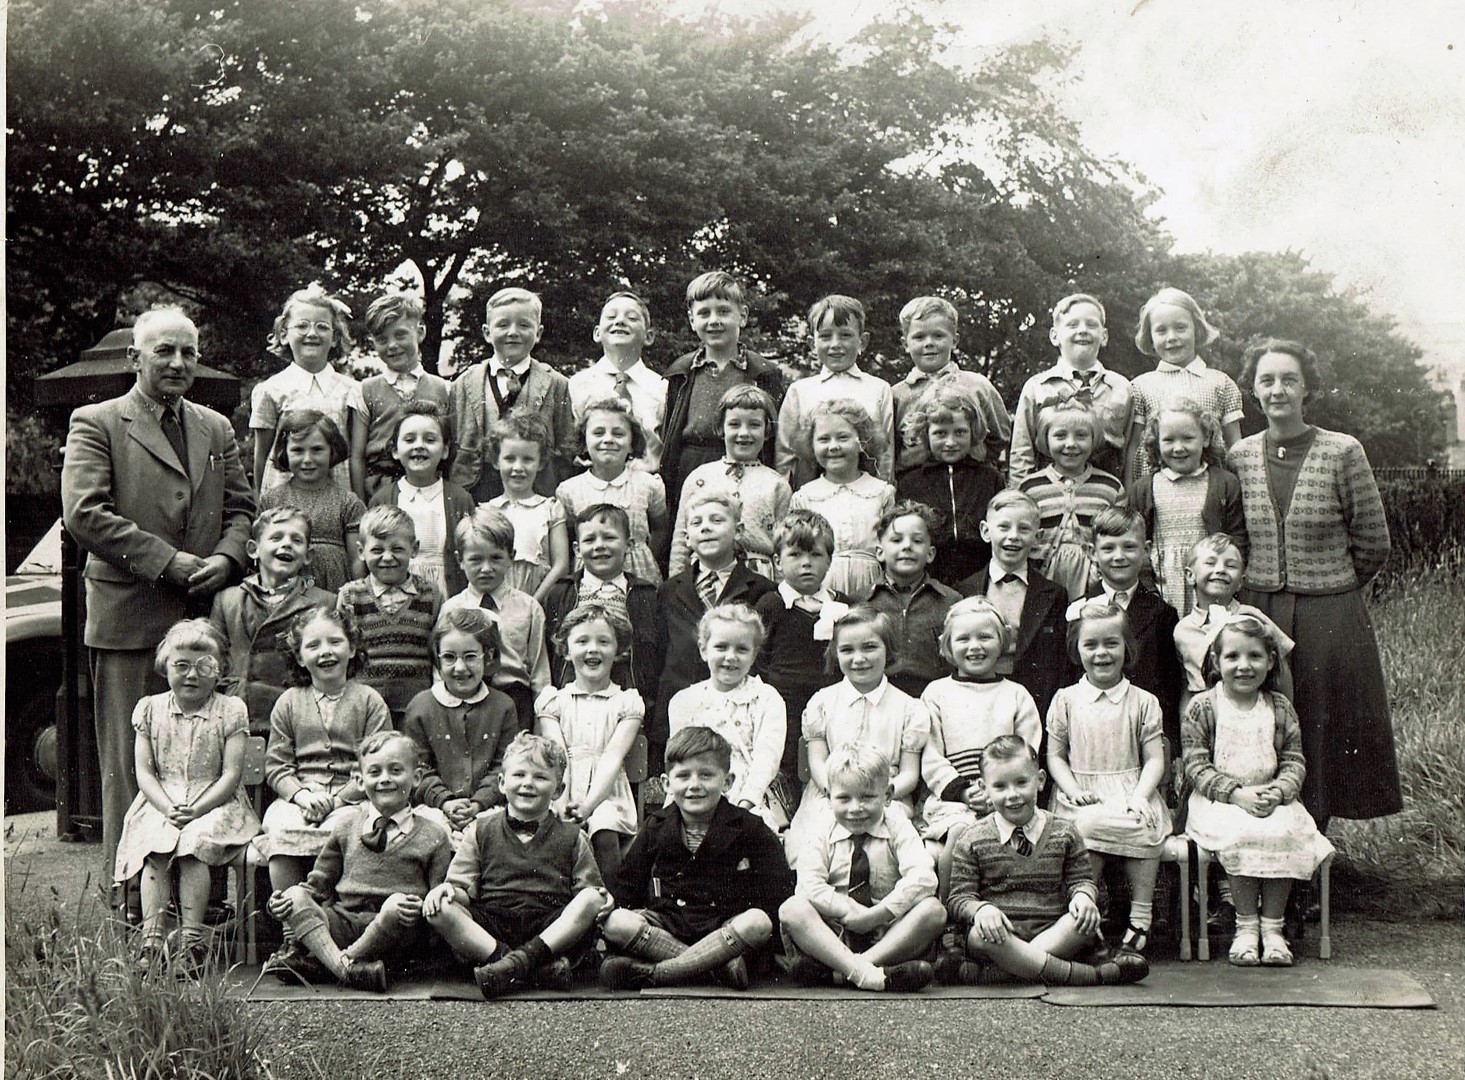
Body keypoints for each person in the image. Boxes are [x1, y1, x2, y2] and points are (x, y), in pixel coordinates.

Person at [61, 305, 255, 874]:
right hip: (129, 619)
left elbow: (242, 509)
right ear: (134, 357)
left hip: (199, 628)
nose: (177, 362)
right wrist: (167, 562)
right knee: (130, 767)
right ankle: (130, 907)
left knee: (203, 764)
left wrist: (227, 557)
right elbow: (85, 515)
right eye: (163, 351)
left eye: (188, 352)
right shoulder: (96, 421)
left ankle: (198, 908)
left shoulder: (215, 427)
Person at [1229, 339, 1399, 829]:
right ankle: (1261, 848)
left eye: (1289, 379)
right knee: (1263, 730)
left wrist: (1333, 587)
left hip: (1330, 617)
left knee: (1320, 733)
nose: (1278, 389)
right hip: (1259, 609)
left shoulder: (1343, 451)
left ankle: (1312, 855)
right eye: (1267, 380)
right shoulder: (1239, 455)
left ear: (1308, 388)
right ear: (1254, 391)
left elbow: (1373, 541)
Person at [1181, 615, 1334, 967]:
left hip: (1271, 797)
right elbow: (1195, 764)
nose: (1244, 666)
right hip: (1219, 799)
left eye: (1254, 657)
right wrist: (1236, 794)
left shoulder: (1279, 707)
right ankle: (1246, 927)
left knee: (1284, 830)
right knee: (1241, 832)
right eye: (1232, 657)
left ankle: (1273, 929)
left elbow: (1294, 760)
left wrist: (1279, 792)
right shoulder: (1204, 707)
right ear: (1216, 663)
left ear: (1270, 662)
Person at [939, 735, 1148, 986]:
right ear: (984, 789)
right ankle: (1091, 976)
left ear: (1039, 781)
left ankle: (996, 974)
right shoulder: (972, 838)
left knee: (1081, 923)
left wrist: (1083, 896)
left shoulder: (1065, 832)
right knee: (978, 935)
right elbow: (959, 899)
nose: (1013, 795)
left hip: (1053, 933)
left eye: (1021, 783)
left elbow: (1081, 880)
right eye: (1000, 787)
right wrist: (981, 909)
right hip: (999, 935)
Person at [114, 619, 259, 976]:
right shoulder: (149, 709)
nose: (192, 675)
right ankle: (152, 940)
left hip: (216, 801)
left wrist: (197, 809)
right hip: (163, 799)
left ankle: (192, 942)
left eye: (204, 666)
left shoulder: (231, 709)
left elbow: (230, 775)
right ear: (165, 667)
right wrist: (167, 807)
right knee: (157, 846)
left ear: (219, 670)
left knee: (193, 845)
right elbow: (145, 773)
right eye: (181, 666)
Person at [599, 727, 794, 990]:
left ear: (727, 781)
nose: (694, 785)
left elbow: (777, 891)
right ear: (667, 784)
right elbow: (629, 885)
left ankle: (659, 974)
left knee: (757, 922)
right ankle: (717, 969)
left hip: (726, 929)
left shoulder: (750, 827)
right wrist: (618, 908)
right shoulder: (657, 826)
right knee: (616, 922)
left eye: (706, 775)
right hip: (669, 926)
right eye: (683, 776)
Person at [422, 732, 612, 997]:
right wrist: (448, 890)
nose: (528, 784)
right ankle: (524, 966)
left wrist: (600, 897)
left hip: (549, 928)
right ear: (501, 782)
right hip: (493, 925)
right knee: (440, 906)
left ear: (558, 790)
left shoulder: (573, 836)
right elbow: (463, 889)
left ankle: (510, 967)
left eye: (541, 777)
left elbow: (588, 892)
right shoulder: (480, 830)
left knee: (591, 898)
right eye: (519, 775)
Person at [266, 730, 452, 992]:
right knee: (295, 895)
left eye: (396, 771)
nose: (385, 779)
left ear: (417, 777)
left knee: (395, 904)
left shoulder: (433, 835)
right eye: (375, 772)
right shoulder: (345, 827)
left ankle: (330, 965)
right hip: (345, 924)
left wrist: (421, 907)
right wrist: (281, 903)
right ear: (359, 780)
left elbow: (438, 893)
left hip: (397, 930)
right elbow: (318, 885)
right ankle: (349, 969)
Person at [1047, 602, 1172, 957]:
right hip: (1082, 792)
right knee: (1086, 828)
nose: (1101, 653)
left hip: (1130, 788)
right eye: (1091, 645)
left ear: (1127, 648)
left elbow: (1154, 759)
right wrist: (1072, 790)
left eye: (1111, 644)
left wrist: (1141, 796)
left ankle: (1141, 916)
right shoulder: (1066, 700)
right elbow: (1055, 756)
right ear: (1077, 650)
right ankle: (1088, 918)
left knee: (1145, 827)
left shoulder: (1143, 701)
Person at [780, 745, 944, 992]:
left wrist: (876, 915)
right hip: (835, 931)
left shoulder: (897, 822)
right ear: (827, 795)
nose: (855, 808)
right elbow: (808, 885)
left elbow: (923, 877)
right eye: (844, 798)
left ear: (888, 795)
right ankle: (875, 974)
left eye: (867, 797)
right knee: (792, 908)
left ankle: (846, 971)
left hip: (886, 933)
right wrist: (849, 909)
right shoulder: (821, 826)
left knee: (934, 910)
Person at [255, 605, 392, 894]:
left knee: (345, 831)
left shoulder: (370, 701)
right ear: (300, 658)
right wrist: (302, 795)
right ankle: (292, 922)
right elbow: (277, 765)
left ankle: (331, 920)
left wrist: (339, 800)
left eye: (335, 642)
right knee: (281, 830)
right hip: (300, 795)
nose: (325, 652)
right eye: (313, 645)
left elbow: (377, 764)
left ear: (352, 649)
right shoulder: (289, 702)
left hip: (352, 798)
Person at [784, 606, 929, 863]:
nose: (859, 658)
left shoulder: (909, 708)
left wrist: (878, 797)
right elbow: (817, 761)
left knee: (889, 848)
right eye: (847, 650)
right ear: (835, 654)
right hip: (829, 795)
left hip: (887, 797)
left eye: (870, 647)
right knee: (808, 846)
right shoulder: (822, 703)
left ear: (889, 650)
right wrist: (838, 794)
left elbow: (910, 773)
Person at [918, 598, 1041, 890]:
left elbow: (1028, 751)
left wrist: (1000, 790)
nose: (975, 646)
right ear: (947, 646)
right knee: (961, 832)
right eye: (964, 639)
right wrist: (962, 791)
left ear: (1004, 642)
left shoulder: (1016, 694)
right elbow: (930, 754)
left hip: (1007, 796)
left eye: (985, 637)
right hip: (954, 800)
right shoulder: (936, 693)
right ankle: (950, 910)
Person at [653, 488, 776, 772]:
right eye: (697, 523)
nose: (706, 527)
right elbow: (660, 655)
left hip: (738, 716)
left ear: (738, 529)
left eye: (717, 520)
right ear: (687, 536)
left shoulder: (761, 590)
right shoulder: (670, 591)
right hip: (685, 712)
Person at [659, 270, 785, 518]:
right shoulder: (682, 371)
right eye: (704, 313)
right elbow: (670, 434)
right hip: (691, 467)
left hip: (746, 466)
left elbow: (774, 437)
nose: (714, 320)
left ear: (743, 316)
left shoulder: (763, 373)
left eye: (723, 311)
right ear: (692, 320)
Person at [535, 604, 646, 882]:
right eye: (582, 641)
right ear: (566, 649)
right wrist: (562, 802)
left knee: (603, 822)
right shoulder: (554, 701)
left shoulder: (626, 702)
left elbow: (612, 757)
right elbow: (558, 756)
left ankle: (612, 899)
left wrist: (587, 807)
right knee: (548, 824)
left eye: (603, 641)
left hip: (607, 794)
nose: (592, 649)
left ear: (619, 650)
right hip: (561, 790)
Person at [210, 507, 336, 735]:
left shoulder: (325, 603)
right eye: (276, 537)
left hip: (295, 719)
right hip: (236, 718)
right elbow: (212, 661)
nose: (286, 544)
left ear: (308, 555)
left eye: (296, 540)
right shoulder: (227, 599)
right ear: (253, 549)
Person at [448, 286, 576, 501]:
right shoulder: (463, 384)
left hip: (536, 492)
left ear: (538, 333)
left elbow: (566, 450)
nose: (513, 332)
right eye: (503, 325)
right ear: (487, 333)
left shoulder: (557, 384)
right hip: (477, 492)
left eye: (524, 325)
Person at [668, 604, 789, 830]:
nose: (730, 657)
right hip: (696, 792)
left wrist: (744, 803)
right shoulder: (684, 701)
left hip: (750, 794)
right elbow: (679, 759)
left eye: (742, 649)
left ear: (753, 655)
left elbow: (767, 759)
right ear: (704, 650)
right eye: (721, 647)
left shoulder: (766, 698)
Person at [752, 509, 849, 792]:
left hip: (831, 706)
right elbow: (759, 659)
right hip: (785, 706)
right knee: (785, 771)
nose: (806, 564)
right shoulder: (770, 605)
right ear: (777, 561)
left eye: (816, 555)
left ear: (830, 560)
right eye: (795, 555)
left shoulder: (842, 606)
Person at [1074, 508, 1184, 753]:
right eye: (1109, 548)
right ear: (1092, 552)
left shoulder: (1163, 614)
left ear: (1145, 550)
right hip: (1091, 731)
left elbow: (1168, 687)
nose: (1119, 556)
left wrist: (1169, 747)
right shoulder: (1078, 610)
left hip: (1142, 733)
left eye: (1129, 547)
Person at [402, 608, 519, 837]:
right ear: (437, 660)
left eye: (470, 656)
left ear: (488, 656)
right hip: (434, 808)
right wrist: (445, 802)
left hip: (488, 807)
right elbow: (418, 768)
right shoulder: (421, 706)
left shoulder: (503, 706)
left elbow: (504, 766)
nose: (460, 668)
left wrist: (478, 804)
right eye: (449, 657)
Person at [956, 491, 1069, 723]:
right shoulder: (964, 591)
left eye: (1024, 529)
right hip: (977, 700)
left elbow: (1057, 664)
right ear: (986, 532)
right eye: (1004, 527)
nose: (1013, 536)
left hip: (1032, 703)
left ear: (1038, 536)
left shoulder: (1053, 594)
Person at [1127, 397, 1246, 615]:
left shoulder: (1224, 483)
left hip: (1212, 586)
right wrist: (1148, 588)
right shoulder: (1143, 488)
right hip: (1162, 588)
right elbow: (1136, 544)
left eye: (1188, 438)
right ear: (1156, 442)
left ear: (1206, 438)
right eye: (1169, 440)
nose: (1178, 448)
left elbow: (1237, 539)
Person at [439, 506, 552, 733]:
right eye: (476, 559)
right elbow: (440, 669)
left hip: (516, 702)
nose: (486, 568)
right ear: (460, 560)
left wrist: (542, 725)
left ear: (511, 556)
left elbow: (540, 674)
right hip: (464, 700)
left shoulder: (529, 608)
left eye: (496, 558)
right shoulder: (451, 609)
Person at [540, 504, 660, 704]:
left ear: (629, 545)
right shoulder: (562, 592)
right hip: (574, 692)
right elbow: (553, 650)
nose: (599, 546)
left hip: (628, 691)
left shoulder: (644, 594)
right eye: (589, 540)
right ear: (577, 549)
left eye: (609, 537)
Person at [668, 384, 790, 580]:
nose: (744, 433)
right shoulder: (700, 478)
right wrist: (678, 586)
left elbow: (784, 547)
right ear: (720, 428)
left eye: (754, 425)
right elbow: (681, 541)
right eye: (734, 424)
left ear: (767, 431)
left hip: (758, 578)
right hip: (705, 573)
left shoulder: (776, 485)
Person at [1009, 294, 1132, 485]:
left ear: (1104, 336)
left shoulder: (1122, 387)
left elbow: (1130, 452)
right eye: (1073, 325)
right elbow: (1022, 453)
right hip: (1049, 491)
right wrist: (1021, 499)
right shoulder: (1037, 387)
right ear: (1055, 336)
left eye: (1091, 325)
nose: (1083, 330)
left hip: (1106, 492)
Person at [1125, 287, 1243, 486]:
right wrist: (1130, 493)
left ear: (1196, 329)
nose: (1171, 337)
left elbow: (1236, 447)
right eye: (1161, 330)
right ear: (1151, 338)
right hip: (1156, 492)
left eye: (1180, 327)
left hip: (1212, 492)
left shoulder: (1221, 383)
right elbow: (1134, 447)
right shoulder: (1140, 386)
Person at [250, 284, 360, 495]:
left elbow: (356, 453)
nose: (312, 333)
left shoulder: (352, 390)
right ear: (284, 334)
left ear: (335, 337)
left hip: (338, 499)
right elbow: (262, 457)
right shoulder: (270, 390)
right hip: (286, 505)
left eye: (322, 326)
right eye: (302, 326)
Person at [336, 505, 442, 723]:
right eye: (377, 550)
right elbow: (343, 655)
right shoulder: (350, 596)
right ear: (361, 552)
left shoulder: (430, 594)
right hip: (366, 708)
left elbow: (438, 650)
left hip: (417, 707)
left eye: (397, 549)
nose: (387, 557)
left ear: (414, 549)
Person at [776, 295, 895, 487]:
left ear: (862, 342)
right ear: (811, 343)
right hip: (812, 495)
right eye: (825, 336)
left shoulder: (879, 388)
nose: (835, 344)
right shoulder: (800, 390)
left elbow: (886, 454)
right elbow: (785, 456)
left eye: (845, 335)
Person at [1172, 534, 1293, 719]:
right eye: (1210, 563)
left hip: (1253, 716)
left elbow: (1281, 672)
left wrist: (1284, 719)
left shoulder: (1252, 617)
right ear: (1190, 575)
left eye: (1230, 565)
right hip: (1208, 721)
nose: (1220, 570)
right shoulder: (1183, 630)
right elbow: (1187, 686)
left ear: (1241, 582)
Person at [787, 397, 896, 602]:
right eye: (824, 439)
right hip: (821, 586)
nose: (833, 446)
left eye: (843, 437)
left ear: (863, 440)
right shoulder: (805, 497)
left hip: (872, 585)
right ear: (811, 445)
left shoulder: (881, 492)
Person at [1018, 398, 1125, 602]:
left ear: (1093, 439)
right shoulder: (1030, 487)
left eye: (1081, 436)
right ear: (1045, 439)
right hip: (1042, 577)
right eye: (1060, 435)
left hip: (1094, 580)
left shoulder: (1110, 487)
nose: (1071, 444)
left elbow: (1120, 535)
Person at [895, 382, 1002, 586]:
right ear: (926, 434)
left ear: (973, 431)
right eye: (940, 433)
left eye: (960, 432)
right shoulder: (910, 482)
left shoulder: (990, 478)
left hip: (980, 577)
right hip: (928, 579)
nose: (951, 442)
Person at [368, 400, 475, 600]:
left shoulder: (460, 498)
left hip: (447, 591)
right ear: (394, 450)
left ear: (444, 450)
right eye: (409, 440)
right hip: (396, 593)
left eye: (430, 440)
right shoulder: (382, 499)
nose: (419, 446)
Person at [350, 291, 451, 502]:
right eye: (382, 339)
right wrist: (360, 505)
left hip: (430, 487)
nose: (392, 345)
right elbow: (357, 456)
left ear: (420, 333)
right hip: (380, 490)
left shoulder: (443, 388)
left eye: (400, 335)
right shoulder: (365, 390)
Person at [556, 396, 668, 584]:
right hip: (588, 576)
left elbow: (661, 528)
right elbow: (567, 540)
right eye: (598, 433)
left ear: (632, 443)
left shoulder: (648, 484)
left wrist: (642, 554)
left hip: (639, 574)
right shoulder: (569, 490)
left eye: (618, 434)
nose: (608, 439)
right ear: (583, 441)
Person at [890, 295, 1009, 469]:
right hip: (915, 487)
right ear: (905, 344)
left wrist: (975, 463)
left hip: (970, 483)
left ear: (954, 341)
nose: (929, 343)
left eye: (938, 335)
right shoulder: (896, 395)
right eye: (919, 337)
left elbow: (1000, 437)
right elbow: (890, 449)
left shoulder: (978, 386)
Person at [258, 410, 364, 590]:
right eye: (298, 450)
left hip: (334, 589)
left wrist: (357, 594)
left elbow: (357, 560)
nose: (307, 459)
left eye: (317, 450)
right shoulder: (272, 500)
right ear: (285, 452)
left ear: (332, 451)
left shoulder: (348, 502)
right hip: (284, 586)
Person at [867, 501, 961, 699]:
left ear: (930, 553)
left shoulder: (951, 601)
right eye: (896, 540)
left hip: (933, 702)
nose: (907, 546)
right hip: (879, 702)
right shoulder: (863, 602)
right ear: (880, 552)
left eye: (917, 541)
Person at [568, 291, 668, 472]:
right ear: (597, 333)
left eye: (632, 318)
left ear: (649, 336)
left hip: (646, 484)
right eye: (611, 316)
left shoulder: (662, 387)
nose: (620, 321)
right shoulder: (577, 384)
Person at [486, 412, 571, 604]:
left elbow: (561, 564)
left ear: (540, 463)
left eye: (527, 459)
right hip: (496, 601)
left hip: (541, 601)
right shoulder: (487, 511)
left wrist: (533, 603)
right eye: (509, 458)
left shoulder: (551, 509)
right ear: (496, 461)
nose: (518, 467)